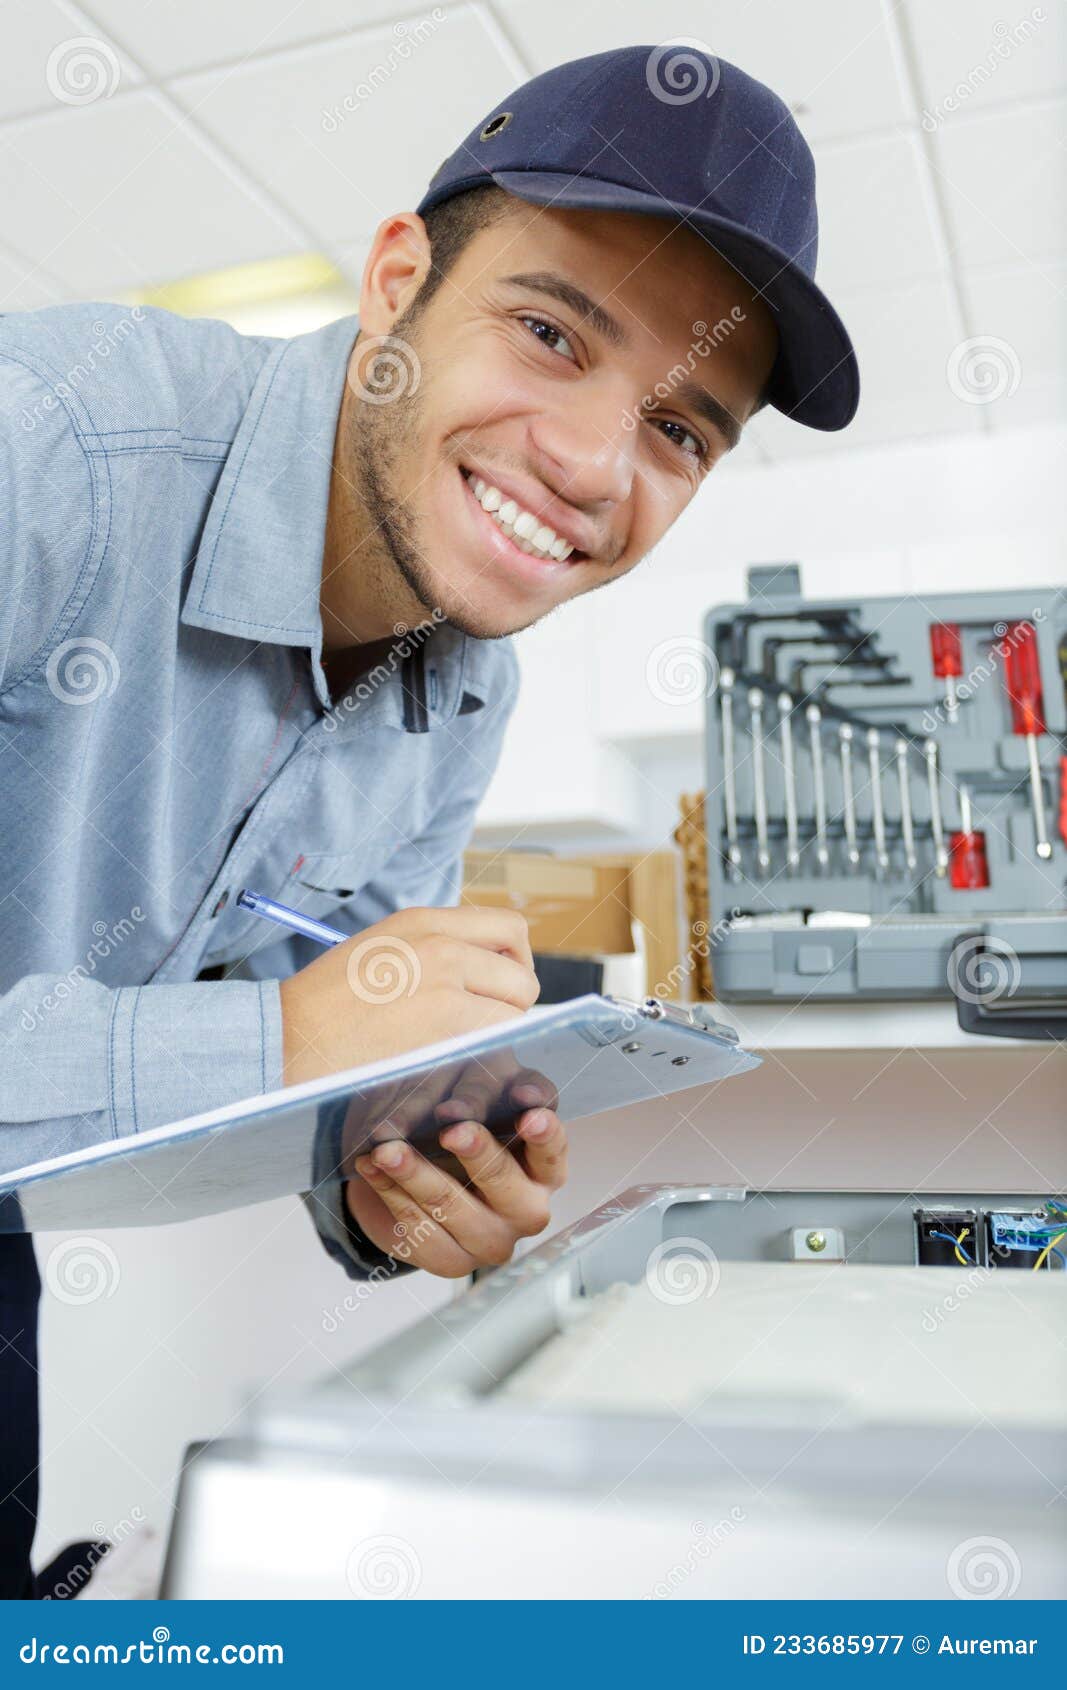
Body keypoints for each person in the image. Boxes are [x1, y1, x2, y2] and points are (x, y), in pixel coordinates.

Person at [0, 44, 857, 1594]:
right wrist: (283, 1043)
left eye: (680, 430)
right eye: (550, 331)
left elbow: (316, 1054)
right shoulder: (45, 449)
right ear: (398, 282)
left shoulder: (463, 696)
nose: (591, 465)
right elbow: (280, 1033)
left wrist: (387, 1165)